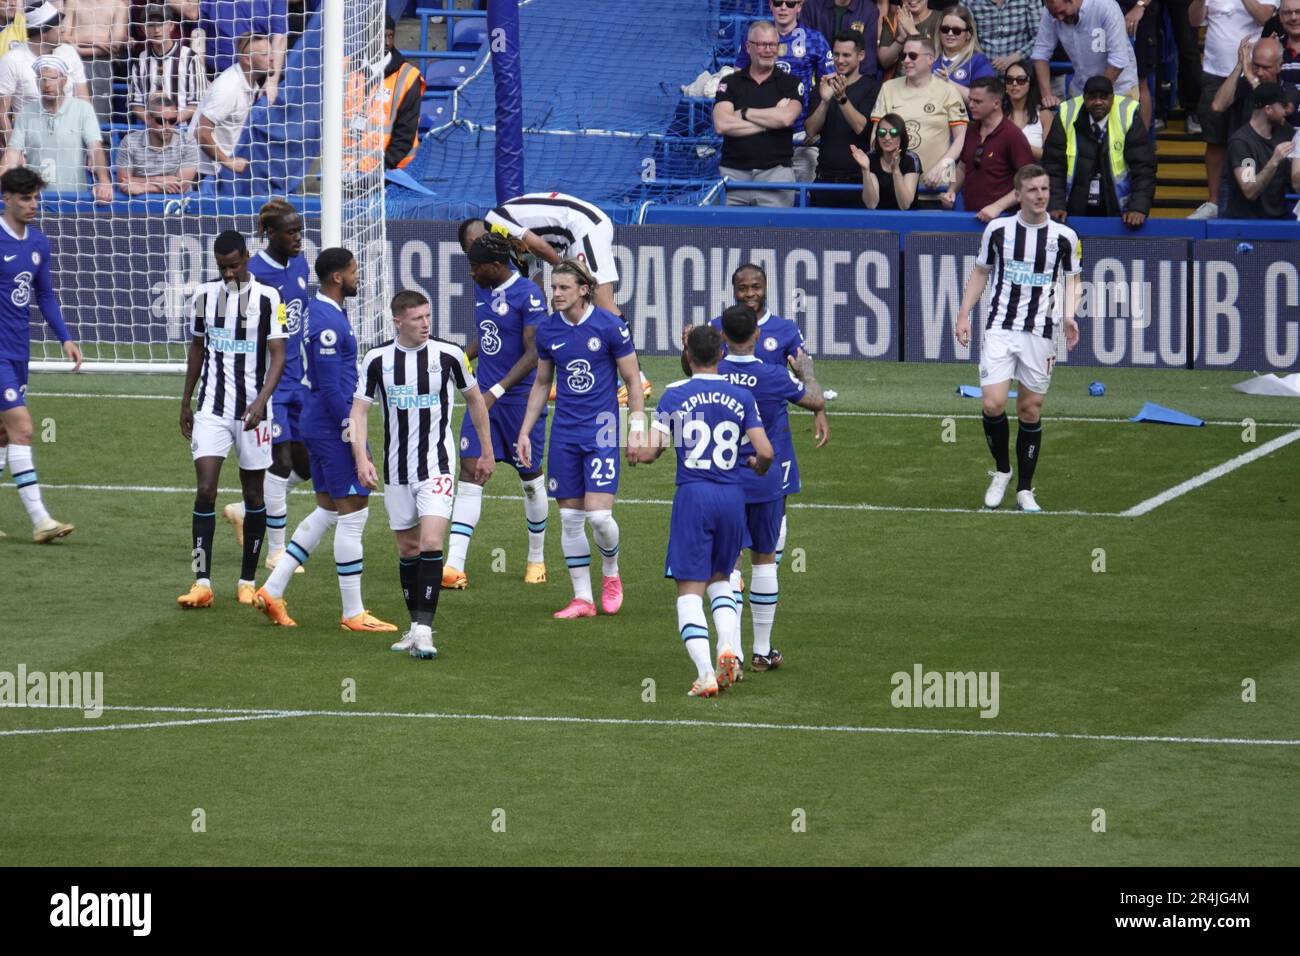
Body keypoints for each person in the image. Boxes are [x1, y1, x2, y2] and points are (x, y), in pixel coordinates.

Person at [253, 248, 397, 632]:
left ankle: (273, 588)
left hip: (318, 421)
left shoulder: (324, 313)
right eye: (354, 271)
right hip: (332, 425)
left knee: (329, 511)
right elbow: (334, 391)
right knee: (354, 512)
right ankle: (353, 613)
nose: (358, 275)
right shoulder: (327, 322)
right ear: (337, 277)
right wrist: (357, 442)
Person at [349, 290, 495, 660]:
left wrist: (486, 450)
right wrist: (361, 458)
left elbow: (476, 400)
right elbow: (360, 412)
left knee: (431, 543)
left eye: (428, 316)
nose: (426, 324)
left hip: (437, 467)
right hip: (398, 471)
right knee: (408, 549)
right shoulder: (377, 360)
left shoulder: (449, 355)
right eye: (417, 319)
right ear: (398, 321)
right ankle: (414, 627)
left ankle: (426, 630)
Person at [644, 325, 773, 698]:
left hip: (694, 495)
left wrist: (638, 449)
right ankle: (727, 648)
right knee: (722, 579)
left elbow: (653, 450)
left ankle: (705, 673)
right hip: (732, 497)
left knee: (689, 590)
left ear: (687, 356)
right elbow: (765, 452)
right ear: (721, 355)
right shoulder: (741, 395)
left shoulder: (673, 396)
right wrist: (756, 468)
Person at [515, 259, 647, 620]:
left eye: (563, 288)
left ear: (584, 289)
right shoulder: (548, 330)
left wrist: (635, 428)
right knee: (571, 519)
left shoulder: (609, 326)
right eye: (553, 288)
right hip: (565, 435)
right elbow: (542, 383)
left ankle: (611, 573)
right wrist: (525, 431)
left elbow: (633, 381)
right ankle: (582, 599)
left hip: (602, 429)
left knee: (600, 517)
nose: (555, 294)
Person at [953, 164, 1082, 513]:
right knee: (993, 403)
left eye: (1044, 189)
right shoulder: (998, 231)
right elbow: (981, 271)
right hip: (1000, 327)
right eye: (1033, 190)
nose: (1041, 196)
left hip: (1041, 332)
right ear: (1019, 194)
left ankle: (1025, 489)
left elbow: (1072, 279)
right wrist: (963, 315)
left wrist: (1070, 314)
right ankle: (1002, 470)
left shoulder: (1064, 237)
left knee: (1029, 408)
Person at [176, 230, 286, 608]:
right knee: (206, 489)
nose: (227, 273)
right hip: (212, 408)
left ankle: (246, 579)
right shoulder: (205, 297)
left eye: (234, 266)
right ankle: (202, 581)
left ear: (248, 258)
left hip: (253, 415)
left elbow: (278, 356)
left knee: (254, 494)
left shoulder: (270, 299)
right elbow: (197, 348)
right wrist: (186, 401)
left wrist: (261, 402)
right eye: (222, 267)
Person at [717, 305, 827, 675]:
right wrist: (807, 372)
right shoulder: (773, 376)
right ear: (757, 338)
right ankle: (762, 651)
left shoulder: (714, 373)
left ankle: (729, 648)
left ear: (723, 337)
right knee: (764, 558)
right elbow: (816, 400)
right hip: (765, 480)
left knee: (729, 565)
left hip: (724, 481)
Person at [459, 195, 653, 401]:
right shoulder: (507, 246)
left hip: (583, 227)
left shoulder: (495, 220)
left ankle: (638, 379)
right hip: (574, 235)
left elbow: (539, 246)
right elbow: (534, 284)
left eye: (472, 255)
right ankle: (601, 381)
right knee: (576, 310)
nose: (475, 262)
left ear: (474, 242)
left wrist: (564, 274)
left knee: (602, 305)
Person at [442, 233, 550, 590]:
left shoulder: (529, 295)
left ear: (495, 266)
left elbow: (533, 352)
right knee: (471, 473)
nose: (471, 274)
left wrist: (497, 391)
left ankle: (536, 557)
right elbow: (487, 337)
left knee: (531, 479)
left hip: (519, 403)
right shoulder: (483, 289)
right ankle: (454, 565)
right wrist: (457, 359)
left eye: (475, 268)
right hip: (483, 401)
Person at [707, 264, 825, 569]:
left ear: (766, 287)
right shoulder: (718, 325)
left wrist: (819, 412)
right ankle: (755, 575)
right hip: (734, 437)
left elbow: (801, 366)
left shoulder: (785, 329)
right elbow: (698, 371)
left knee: (777, 507)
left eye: (755, 287)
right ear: (733, 290)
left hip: (775, 435)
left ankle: (760, 570)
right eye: (743, 288)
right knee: (738, 509)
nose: (750, 294)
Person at [223, 199, 312, 567]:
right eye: (290, 231)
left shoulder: (301, 263)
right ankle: (277, 550)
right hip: (269, 385)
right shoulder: (252, 275)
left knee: (306, 465)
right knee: (280, 460)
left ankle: (246, 510)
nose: (298, 237)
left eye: (299, 230)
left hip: (301, 381)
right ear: (268, 234)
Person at [0, 167, 81, 544]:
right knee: (24, 428)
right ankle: (41, 520)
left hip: (18, 350)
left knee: (3, 435)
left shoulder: (38, 244)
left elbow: (44, 295)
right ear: (7, 199)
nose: (33, 205)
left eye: (35, 198)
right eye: (25, 198)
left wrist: (64, 337)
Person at [1191, 0, 1279, 215]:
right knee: (1216, 139)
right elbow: (1194, 20)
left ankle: (1251, 193)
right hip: (1216, 72)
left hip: (1255, 75)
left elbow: (1265, 16)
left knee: (1249, 140)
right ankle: (1214, 202)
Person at [733, 0, 834, 181]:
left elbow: (828, 84)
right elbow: (738, 82)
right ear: (770, 5)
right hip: (762, 134)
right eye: (778, 2)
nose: (783, 7)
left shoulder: (815, 40)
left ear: (800, 6)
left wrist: (817, 125)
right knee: (767, 199)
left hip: (801, 135)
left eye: (790, 2)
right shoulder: (753, 38)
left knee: (801, 199)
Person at [1043, 74, 1156, 226]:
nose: (1098, 102)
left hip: (1119, 210)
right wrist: (1055, 205)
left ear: (1112, 97)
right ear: (1083, 98)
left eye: (1103, 97)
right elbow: (1052, 166)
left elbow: (1144, 168)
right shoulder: (1066, 114)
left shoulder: (1128, 115)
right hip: (1073, 207)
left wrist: (1138, 207)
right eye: (1092, 97)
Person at [713, 20, 804, 206]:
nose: (769, 50)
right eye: (762, 44)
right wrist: (771, 121)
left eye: (773, 45)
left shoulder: (791, 83)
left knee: (775, 235)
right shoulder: (730, 82)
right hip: (733, 176)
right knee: (725, 234)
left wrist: (744, 112)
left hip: (776, 176)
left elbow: (786, 118)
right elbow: (722, 124)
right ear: (748, 47)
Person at [870, 36, 968, 201]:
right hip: (894, 186)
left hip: (935, 187)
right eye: (904, 56)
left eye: (913, 56)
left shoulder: (948, 91)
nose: (906, 60)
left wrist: (942, 167)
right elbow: (875, 135)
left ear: (930, 59)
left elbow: (961, 138)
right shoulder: (888, 88)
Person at [2, 58, 112, 203]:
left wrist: (104, 181)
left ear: (64, 81)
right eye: (42, 79)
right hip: (36, 200)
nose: (47, 84)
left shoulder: (83, 110)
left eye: (53, 78)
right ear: (37, 82)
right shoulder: (26, 113)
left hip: (75, 200)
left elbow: (95, 147)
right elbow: (12, 153)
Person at [942, 76, 1035, 220]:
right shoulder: (971, 130)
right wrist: (952, 190)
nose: (971, 105)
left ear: (996, 103)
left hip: (1004, 220)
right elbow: (962, 166)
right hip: (971, 218)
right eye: (970, 99)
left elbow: (1030, 180)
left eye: (977, 101)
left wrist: (998, 207)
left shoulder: (1013, 135)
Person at [0, 2, 91, 147]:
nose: (63, 30)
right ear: (43, 32)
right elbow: (2, 113)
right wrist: (15, 151)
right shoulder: (12, 60)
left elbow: (84, 102)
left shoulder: (69, 52)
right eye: (58, 25)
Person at [805, 29, 879, 207]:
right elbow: (811, 130)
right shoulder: (823, 86)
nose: (840, 60)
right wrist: (824, 101)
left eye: (846, 55)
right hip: (824, 179)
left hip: (858, 182)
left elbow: (861, 127)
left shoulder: (872, 87)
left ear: (861, 55)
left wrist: (841, 99)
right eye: (836, 54)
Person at [192, 32, 271, 178]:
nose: (272, 59)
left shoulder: (250, 81)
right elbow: (202, 133)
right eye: (265, 55)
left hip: (218, 169)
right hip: (200, 173)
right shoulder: (228, 88)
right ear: (247, 60)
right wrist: (228, 162)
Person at [1032, 0, 1139, 107]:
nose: (1059, 18)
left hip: (1119, 90)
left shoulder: (1105, 6)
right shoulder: (1052, 11)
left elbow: (1118, 60)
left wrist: (1095, 96)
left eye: (1062, 12)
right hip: (1080, 90)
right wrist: (1047, 96)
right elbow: (1040, 52)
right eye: (1054, 15)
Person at [1224, 81, 1300, 218]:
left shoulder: (1285, 133)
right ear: (1268, 109)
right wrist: (1274, 162)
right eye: (1283, 106)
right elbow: (1249, 189)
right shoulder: (1242, 142)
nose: (1287, 111)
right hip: (1246, 226)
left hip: (1278, 224)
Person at [128, 3, 207, 127]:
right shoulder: (141, 60)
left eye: (161, 24)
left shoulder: (190, 57)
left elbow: (198, 102)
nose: (156, 30)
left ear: (171, 26)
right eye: (151, 25)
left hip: (183, 131)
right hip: (151, 133)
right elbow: (135, 103)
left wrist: (170, 121)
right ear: (143, 29)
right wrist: (154, 123)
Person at [199, 1, 287, 105]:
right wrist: (201, 79)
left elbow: (279, 38)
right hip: (215, 76)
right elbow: (199, 35)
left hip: (255, 78)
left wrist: (272, 81)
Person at [115, 92, 200, 195]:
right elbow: (123, 181)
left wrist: (144, 188)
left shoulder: (188, 141)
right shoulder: (129, 142)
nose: (167, 127)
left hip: (176, 203)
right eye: (160, 121)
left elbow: (181, 186)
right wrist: (158, 180)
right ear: (148, 118)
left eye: (172, 121)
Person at [63, 0, 128, 127]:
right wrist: (93, 40)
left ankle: (99, 144)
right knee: (71, 110)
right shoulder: (73, 2)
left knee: (99, 114)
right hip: (73, 62)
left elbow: (115, 45)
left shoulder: (118, 5)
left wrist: (79, 49)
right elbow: (63, 36)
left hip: (102, 64)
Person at [850, 111, 922, 207]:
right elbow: (871, 204)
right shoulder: (871, 158)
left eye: (893, 132)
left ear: (902, 136)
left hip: (906, 220)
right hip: (879, 219)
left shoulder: (911, 159)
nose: (887, 137)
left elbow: (905, 205)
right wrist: (865, 170)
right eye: (882, 132)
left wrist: (896, 171)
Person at [800, 0, 881, 77]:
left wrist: (856, 87)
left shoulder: (868, 10)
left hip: (854, 82)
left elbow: (868, 64)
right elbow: (803, 52)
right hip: (818, 78)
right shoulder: (811, 5)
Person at [932, 6, 996, 103]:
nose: (950, 33)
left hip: (965, 117)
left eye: (956, 31)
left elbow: (984, 100)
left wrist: (949, 83)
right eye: (945, 29)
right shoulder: (930, 58)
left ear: (968, 34)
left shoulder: (979, 62)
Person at [965, 0, 1042, 72]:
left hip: (1019, 71)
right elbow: (964, 37)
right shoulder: (969, 2)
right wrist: (982, 61)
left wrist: (1013, 58)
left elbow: (1040, 38)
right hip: (981, 70)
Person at [1118, 0, 1160, 130]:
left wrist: (1140, 6)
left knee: (1141, 81)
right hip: (1106, 13)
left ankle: (1142, 142)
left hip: (1139, 17)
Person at [879, 0, 943, 79]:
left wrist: (911, 30)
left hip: (928, 82)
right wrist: (901, 38)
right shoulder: (893, 20)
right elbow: (884, 62)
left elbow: (938, 60)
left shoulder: (941, 19)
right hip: (898, 82)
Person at [1004, 58, 1051, 159]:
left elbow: (1049, 156)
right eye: (1009, 80)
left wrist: (1018, 143)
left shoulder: (1044, 115)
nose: (1014, 84)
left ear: (1031, 83)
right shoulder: (998, 115)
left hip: (1034, 172)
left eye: (1021, 80)